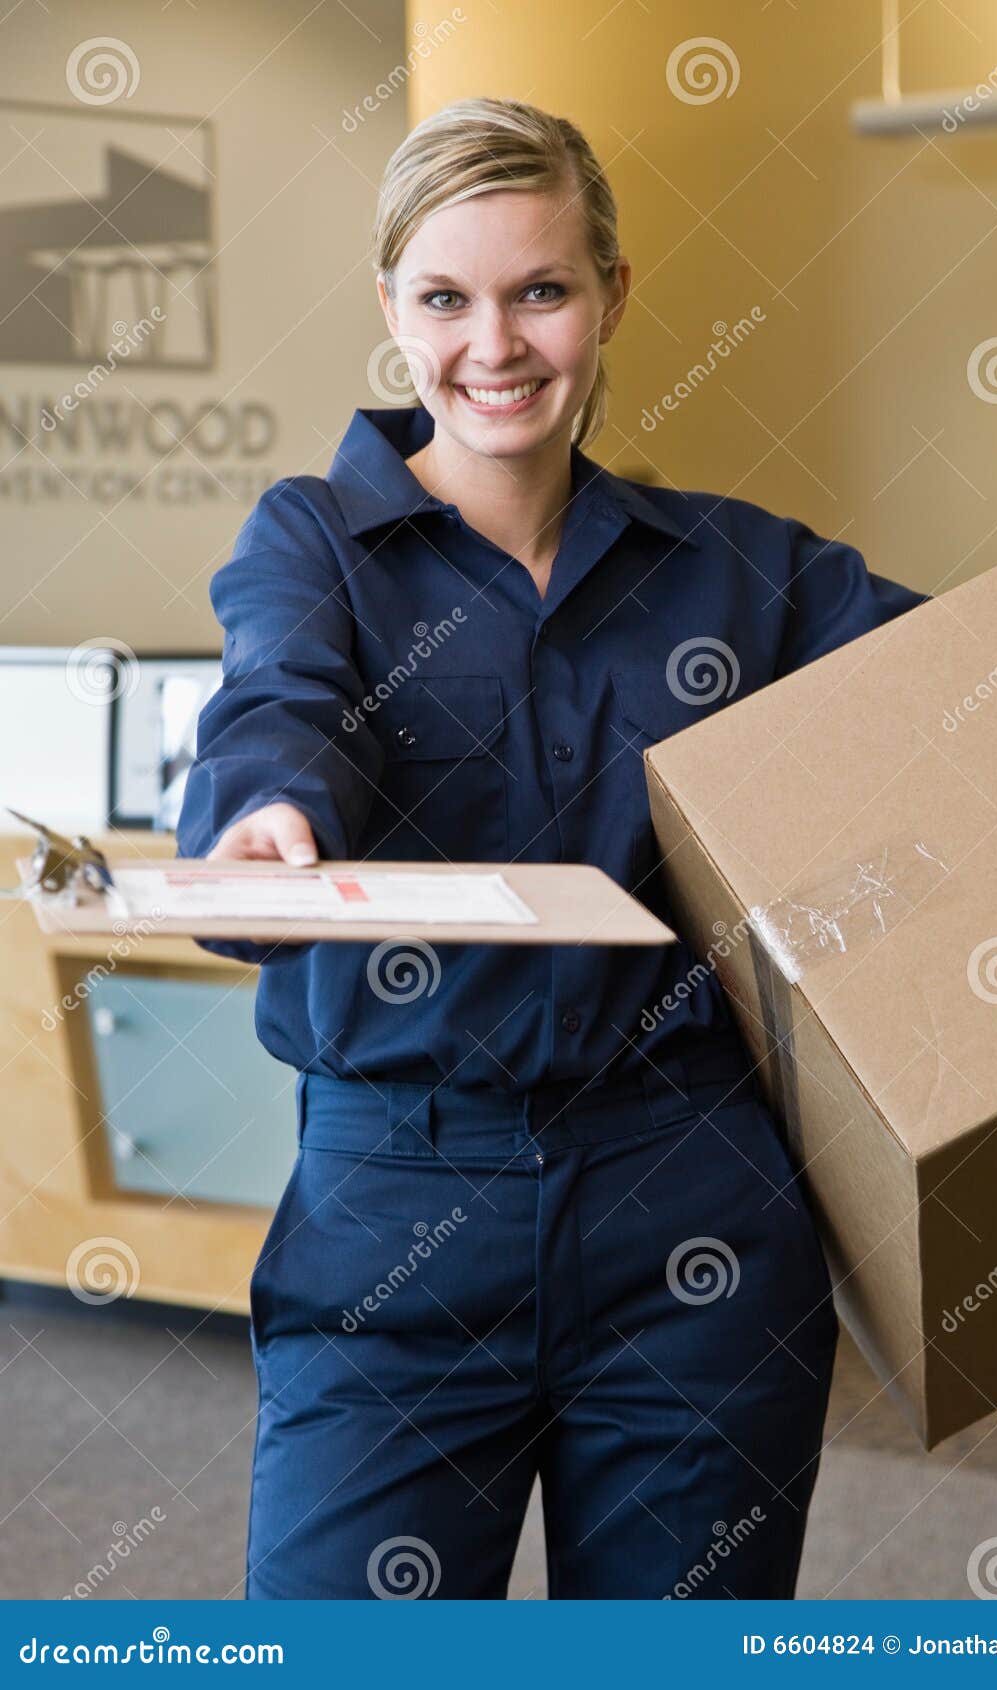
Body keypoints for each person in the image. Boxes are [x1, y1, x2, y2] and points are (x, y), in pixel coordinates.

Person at [175, 96, 929, 1601]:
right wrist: (271, 813)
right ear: (392, 308)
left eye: (542, 290)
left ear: (612, 297)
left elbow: (983, 688)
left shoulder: (739, 570)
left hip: (693, 1214)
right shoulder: (317, 540)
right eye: (446, 298)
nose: (496, 346)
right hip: (399, 1201)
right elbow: (283, 695)